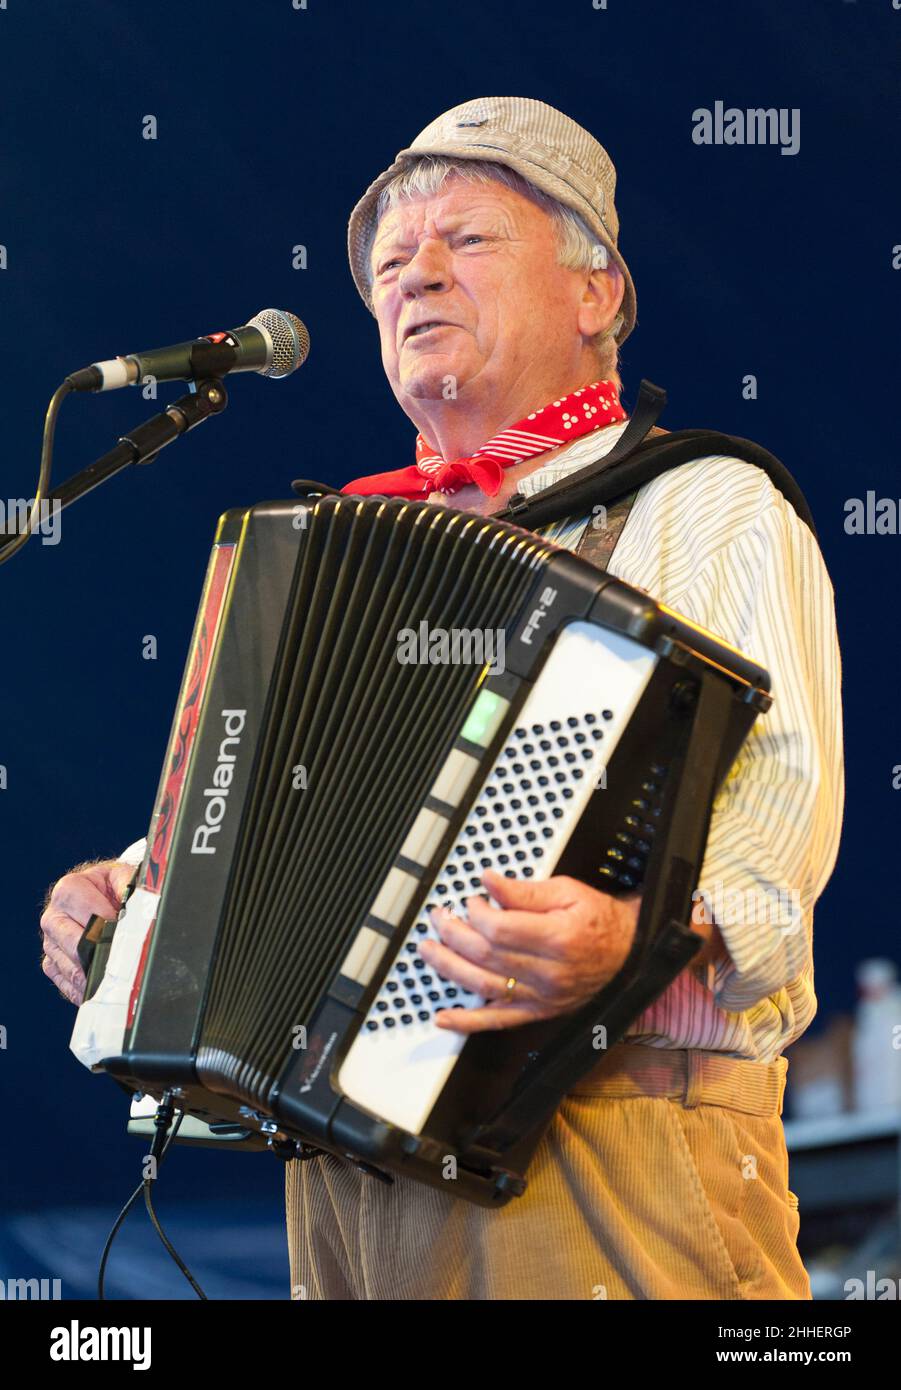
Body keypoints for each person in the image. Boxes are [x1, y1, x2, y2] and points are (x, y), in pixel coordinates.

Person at [40, 97, 844, 1300]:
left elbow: (783, 800)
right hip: (343, 1172)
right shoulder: (347, 548)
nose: (414, 275)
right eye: (388, 263)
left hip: (615, 1142)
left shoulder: (704, 504)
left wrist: (632, 942)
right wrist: (137, 885)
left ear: (596, 292)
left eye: (465, 241)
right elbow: (281, 798)